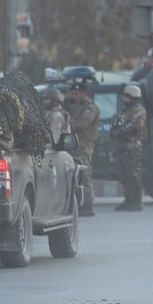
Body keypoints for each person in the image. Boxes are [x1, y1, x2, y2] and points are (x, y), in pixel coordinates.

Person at [63, 77, 101, 217]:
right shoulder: (74, 105)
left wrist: (65, 125)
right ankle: (77, 204)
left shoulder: (91, 108)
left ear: (84, 93)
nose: (74, 96)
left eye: (76, 94)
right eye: (73, 94)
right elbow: (64, 111)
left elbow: (82, 123)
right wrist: (66, 99)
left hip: (84, 145)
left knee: (84, 175)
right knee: (73, 175)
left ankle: (88, 206)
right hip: (73, 144)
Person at [109, 84, 148, 211]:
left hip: (133, 147)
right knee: (124, 174)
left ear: (133, 97)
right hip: (122, 146)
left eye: (127, 96)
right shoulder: (124, 111)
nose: (124, 99)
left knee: (133, 174)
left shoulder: (139, 111)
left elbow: (134, 126)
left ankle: (136, 202)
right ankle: (128, 200)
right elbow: (117, 123)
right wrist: (114, 130)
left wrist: (119, 131)